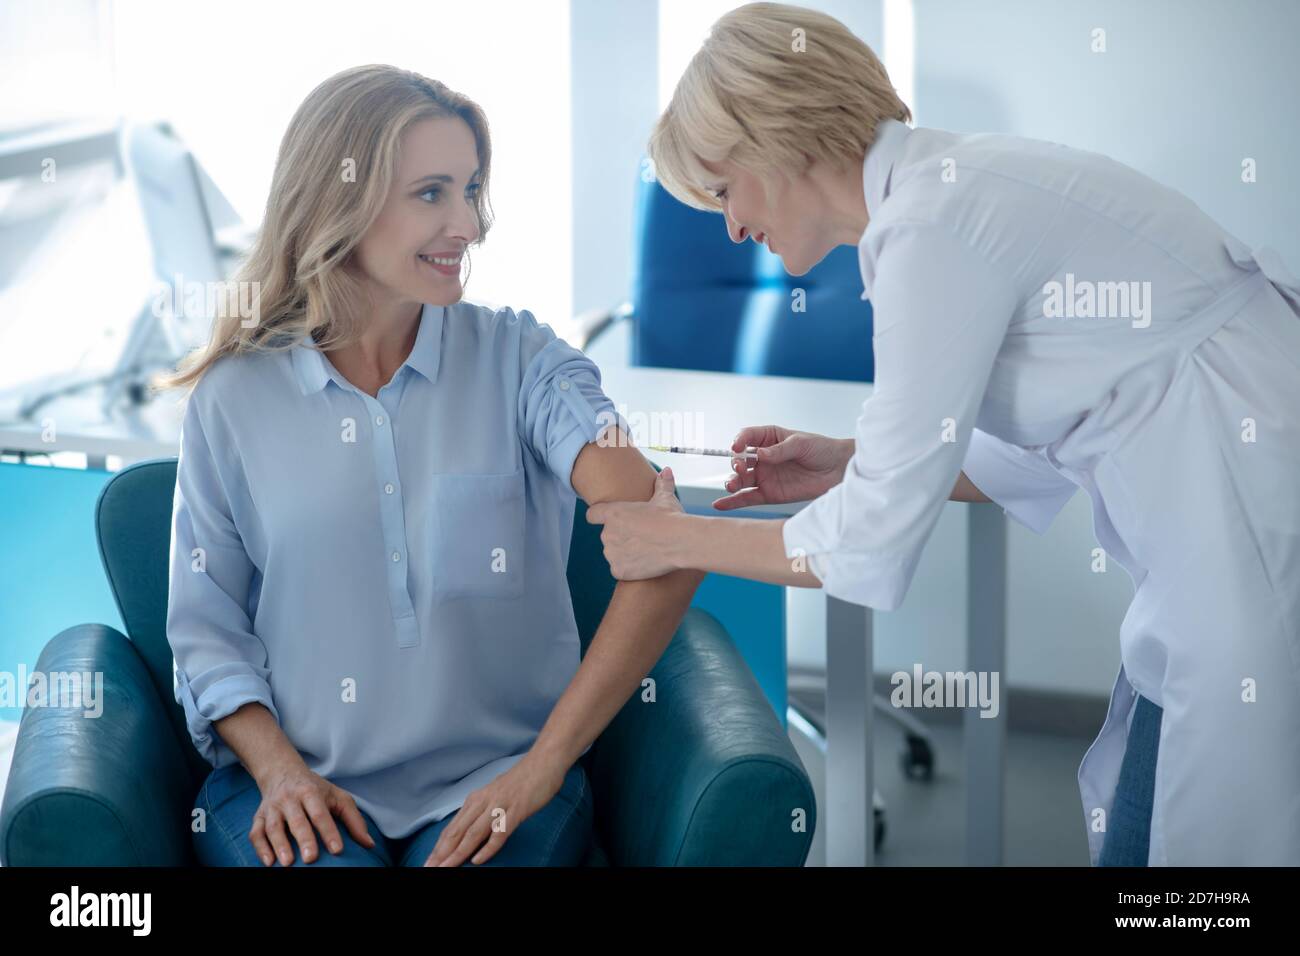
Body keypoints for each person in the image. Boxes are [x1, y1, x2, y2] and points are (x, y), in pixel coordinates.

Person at [586, 2, 1300, 865]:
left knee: (1202, 852)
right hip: (1220, 532)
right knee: (1162, 824)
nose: (731, 227)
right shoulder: (941, 195)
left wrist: (674, 539)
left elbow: (872, 543)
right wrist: (849, 463)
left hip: (1250, 534)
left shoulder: (931, 225)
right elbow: (1047, 429)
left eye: (724, 190)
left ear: (774, 134)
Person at [156, 64, 702, 867]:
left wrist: (542, 767)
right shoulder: (234, 400)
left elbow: (663, 542)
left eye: (472, 190)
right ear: (337, 202)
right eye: (431, 194)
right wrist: (279, 773)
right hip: (305, 781)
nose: (470, 226)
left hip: (500, 778)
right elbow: (206, 631)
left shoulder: (526, 362)